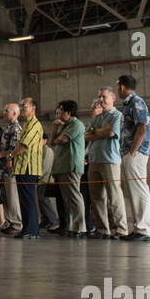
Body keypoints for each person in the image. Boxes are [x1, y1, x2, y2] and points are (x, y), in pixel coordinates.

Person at [86, 87, 127, 239]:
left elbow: (111, 133)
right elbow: (85, 136)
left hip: (110, 160)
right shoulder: (97, 118)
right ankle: (102, 229)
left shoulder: (117, 115)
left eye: (104, 97)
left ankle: (121, 229)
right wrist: (101, 131)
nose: (101, 100)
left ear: (113, 98)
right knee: (96, 197)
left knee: (114, 196)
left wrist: (96, 131)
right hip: (94, 159)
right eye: (100, 97)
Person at [117, 75, 150, 241]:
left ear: (122, 87)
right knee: (134, 191)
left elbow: (142, 128)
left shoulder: (136, 102)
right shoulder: (129, 104)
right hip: (129, 152)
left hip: (136, 153)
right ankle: (139, 226)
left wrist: (132, 151)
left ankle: (144, 228)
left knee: (139, 188)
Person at [51, 100, 86, 237]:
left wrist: (57, 138)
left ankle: (80, 227)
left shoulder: (76, 124)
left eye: (61, 110)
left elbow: (62, 140)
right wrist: (55, 128)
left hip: (71, 165)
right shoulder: (64, 125)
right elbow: (52, 141)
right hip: (62, 166)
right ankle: (71, 226)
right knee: (67, 199)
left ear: (68, 112)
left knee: (74, 197)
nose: (58, 113)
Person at [12, 96, 44, 239]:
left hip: (29, 167)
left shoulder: (35, 125)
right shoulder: (26, 124)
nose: (21, 109)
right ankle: (27, 229)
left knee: (28, 199)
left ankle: (32, 230)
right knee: (24, 200)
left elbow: (24, 146)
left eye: (23, 106)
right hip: (21, 167)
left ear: (33, 108)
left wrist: (10, 156)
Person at [0, 103, 23, 233]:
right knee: (6, 195)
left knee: (12, 196)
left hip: (10, 167)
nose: (4, 112)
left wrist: (2, 155)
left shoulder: (16, 128)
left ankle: (16, 223)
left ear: (14, 113)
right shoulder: (8, 127)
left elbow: (14, 149)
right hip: (3, 167)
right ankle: (9, 221)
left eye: (6, 110)